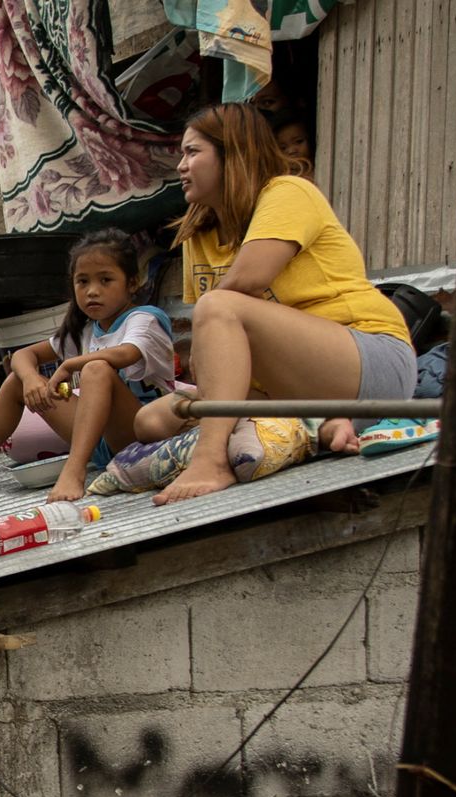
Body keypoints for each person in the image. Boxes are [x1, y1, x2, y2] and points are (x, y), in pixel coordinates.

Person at [150, 102, 415, 504]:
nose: (181, 167)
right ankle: (324, 426)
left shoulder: (287, 191)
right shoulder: (199, 233)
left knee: (218, 307)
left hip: (368, 359)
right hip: (291, 384)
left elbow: (245, 285)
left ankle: (211, 459)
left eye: (192, 152)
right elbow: (207, 357)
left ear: (233, 152)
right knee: (150, 420)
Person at [0, 230, 176, 503]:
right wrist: (31, 379)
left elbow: (126, 354)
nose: (92, 291)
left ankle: (74, 471)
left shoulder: (145, 318)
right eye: (83, 282)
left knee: (96, 369)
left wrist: (71, 364)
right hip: (100, 444)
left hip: (143, 436)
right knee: (17, 381)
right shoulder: (85, 330)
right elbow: (23, 355)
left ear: (132, 283)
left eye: (106, 280)